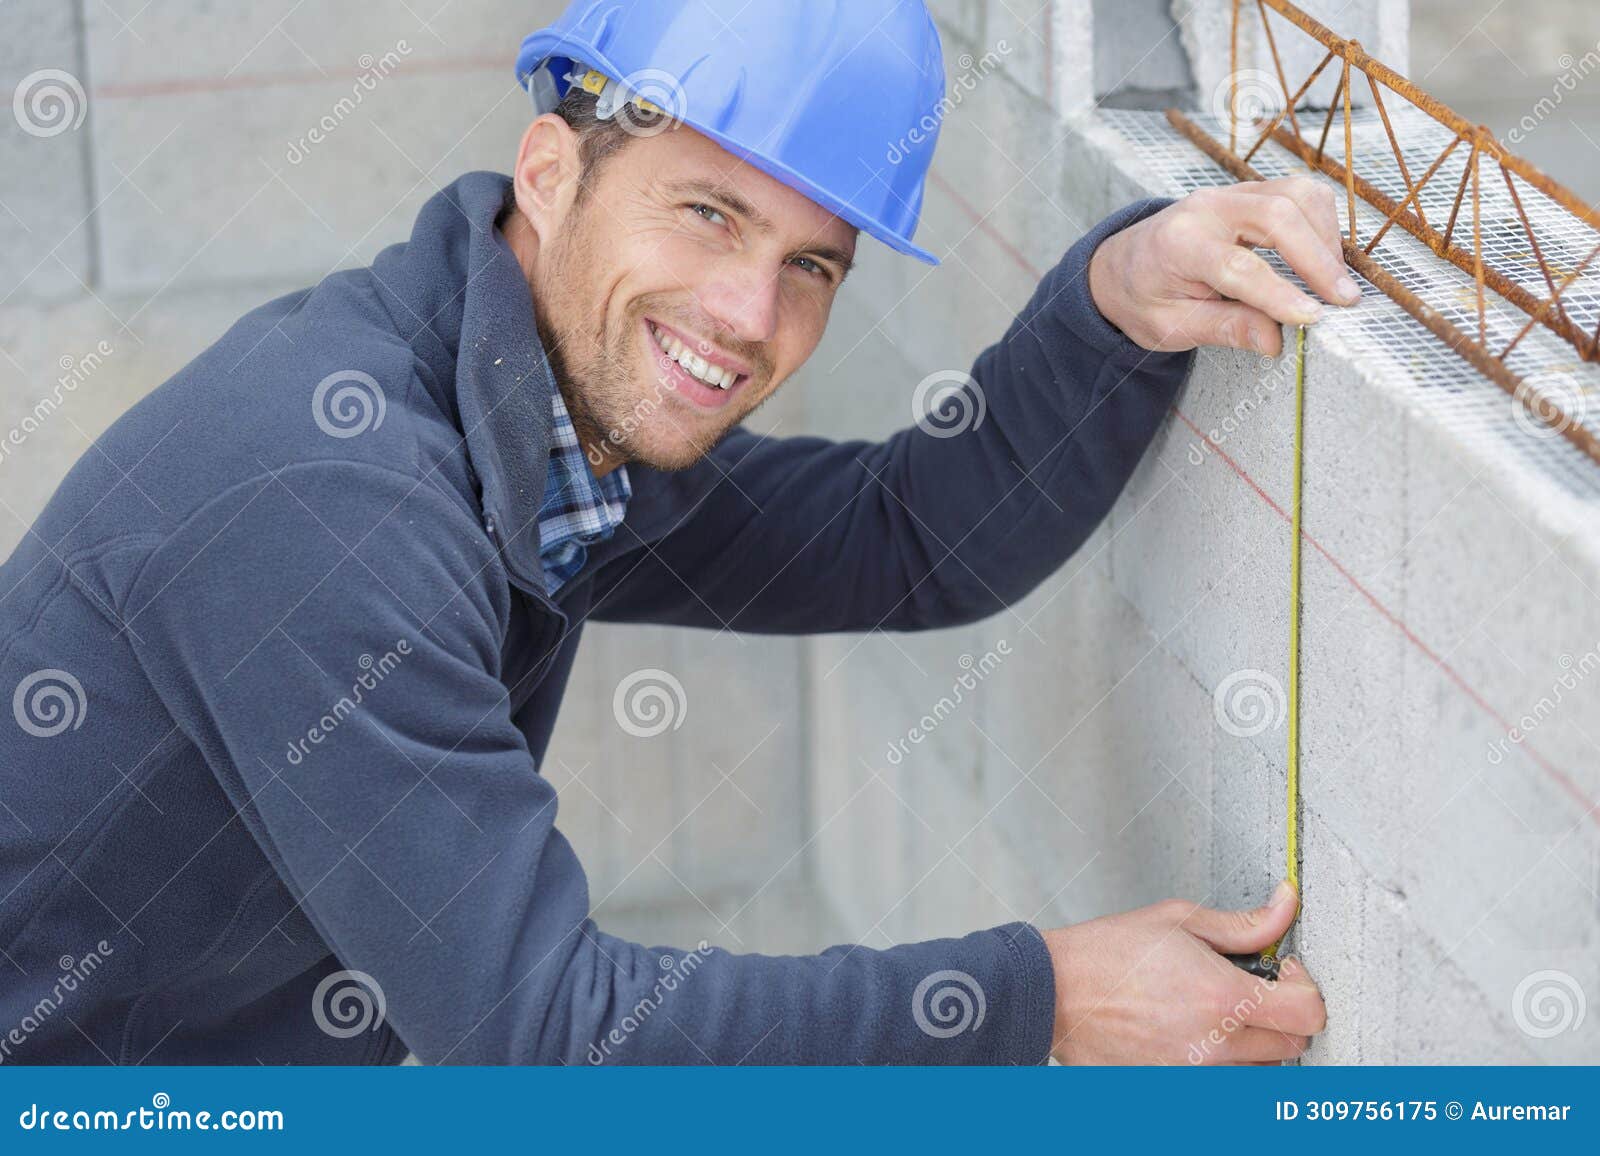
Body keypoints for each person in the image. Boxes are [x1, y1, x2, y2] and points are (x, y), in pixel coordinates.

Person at [0, 0, 1352, 1064]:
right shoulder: (334, 499)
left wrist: (1115, 304)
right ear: (548, 170)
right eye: (709, 213)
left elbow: (905, 539)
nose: (750, 315)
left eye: (810, 265)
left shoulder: (533, 417)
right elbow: (545, 1038)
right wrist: (1043, 999)